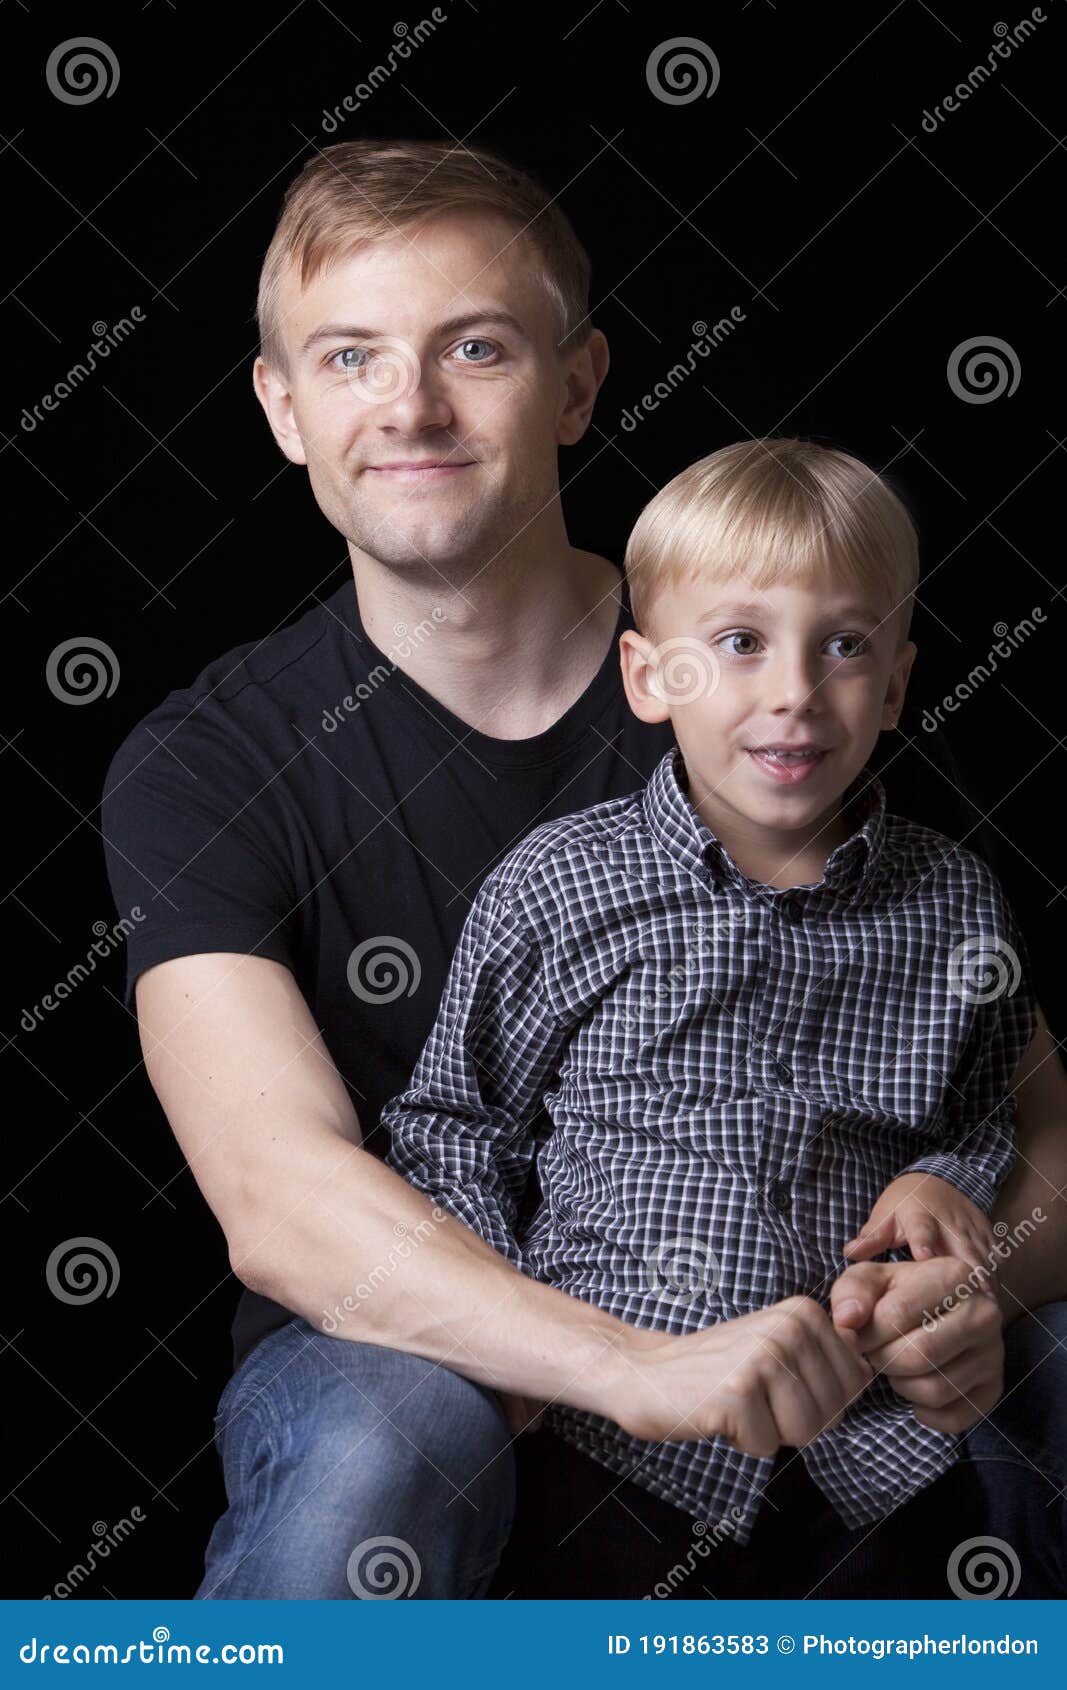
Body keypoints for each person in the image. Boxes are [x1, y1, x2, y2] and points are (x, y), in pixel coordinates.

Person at [100, 138, 1067, 1601]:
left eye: (472, 347)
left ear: (575, 381)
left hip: (822, 1335)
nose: (410, 406)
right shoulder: (209, 763)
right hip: (420, 1356)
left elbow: (1039, 1120)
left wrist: (974, 1276)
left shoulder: (788, 678)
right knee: (383, 1431)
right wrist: (630, 1365)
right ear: (283, 409)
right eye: (349, 358)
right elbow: (282, 1192)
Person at [379, 437, 1040, 1597]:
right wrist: (513, 1352)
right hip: (601, 1443)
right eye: (737, 643)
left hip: (862, 1447)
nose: (792, 689)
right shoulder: (560, 884)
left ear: (891, 683)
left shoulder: (950, 903)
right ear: (646, 676)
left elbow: (987, 1111)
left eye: (842, 646)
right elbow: (453, 1126)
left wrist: (946, 1184)